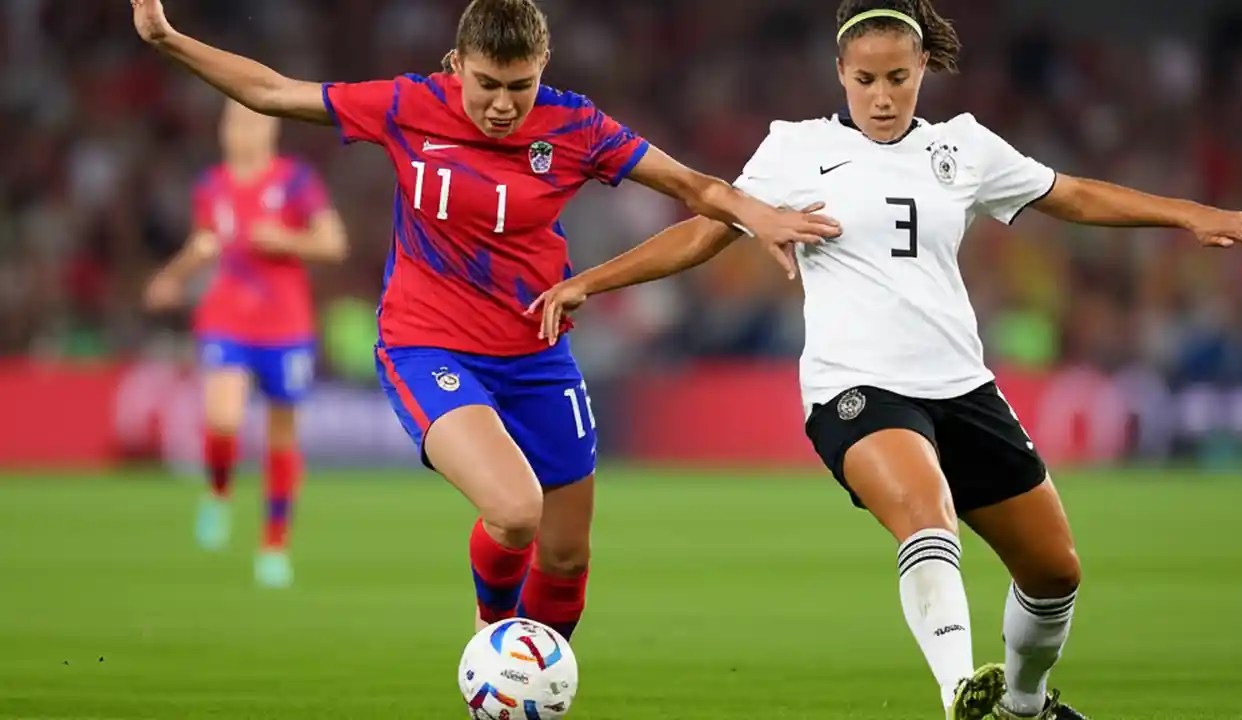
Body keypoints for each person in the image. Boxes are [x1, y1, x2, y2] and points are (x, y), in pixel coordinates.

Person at [529, 1, 1242, 718]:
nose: (882, 97)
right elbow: (701, 233)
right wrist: (591, 280)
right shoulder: (795, 148)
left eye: (898, 79)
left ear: (923, 68)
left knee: (1054, 571)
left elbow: (1069, 195)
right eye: (866, 80)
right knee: (926, 515)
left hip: (962, 386)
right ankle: (960, 698)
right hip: (856, 388)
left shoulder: (967, 148)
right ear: (840, 72)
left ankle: (1022, 705)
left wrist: (1185, 213)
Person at [131, 0, 840, 640]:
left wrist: (759, 216)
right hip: (428, 344)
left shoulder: (575, 125)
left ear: (542, 72)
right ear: (458, 66)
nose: (503, 105)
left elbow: (695, 187)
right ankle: (493, 641)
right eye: (487, 85)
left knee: (566, 557)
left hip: (537, 354)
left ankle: (535, 673)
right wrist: (169, 40)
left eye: (519, 86)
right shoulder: (411, 105)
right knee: (514, 510)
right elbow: (272, 91)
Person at [144, 99, 349, 588]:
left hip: (286, 325)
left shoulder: (295, 181)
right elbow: (204, 244)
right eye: (234, 122)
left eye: (252, 121)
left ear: (272, 129)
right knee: (224, 417)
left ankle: (274, 545)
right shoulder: (211, 186)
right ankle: (218, 491)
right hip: (227, 318)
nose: (242, 131)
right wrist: (170, 278)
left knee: (281, 435)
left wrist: (287, 240)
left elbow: (334, 244)